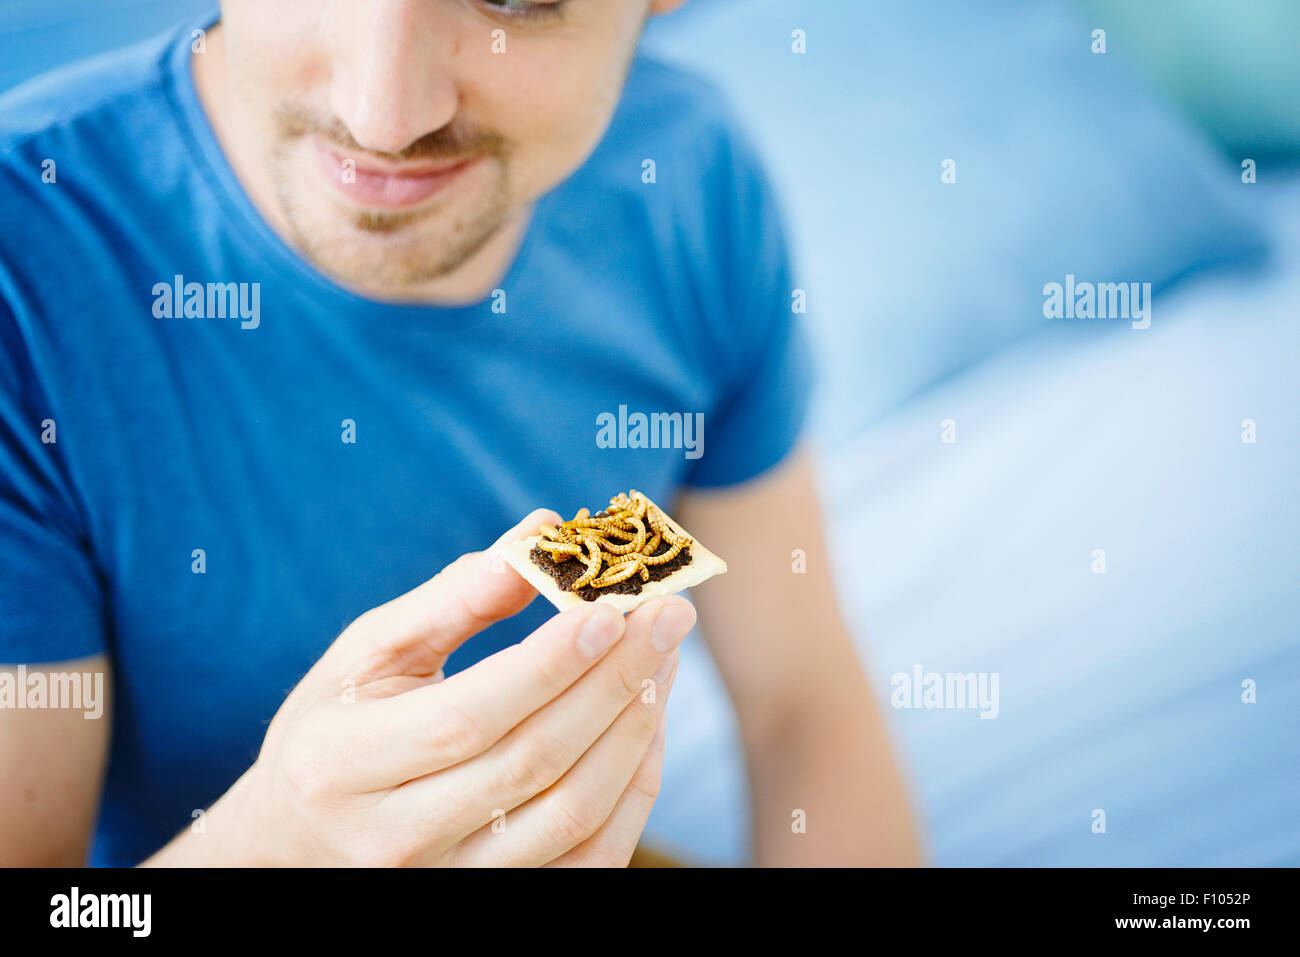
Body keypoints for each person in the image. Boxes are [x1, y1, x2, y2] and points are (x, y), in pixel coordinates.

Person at [0, 0, 917, 867]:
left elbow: (802, 705)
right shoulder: (25, 268)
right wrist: (272, 841)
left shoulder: (687, 169)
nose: (383, 116)